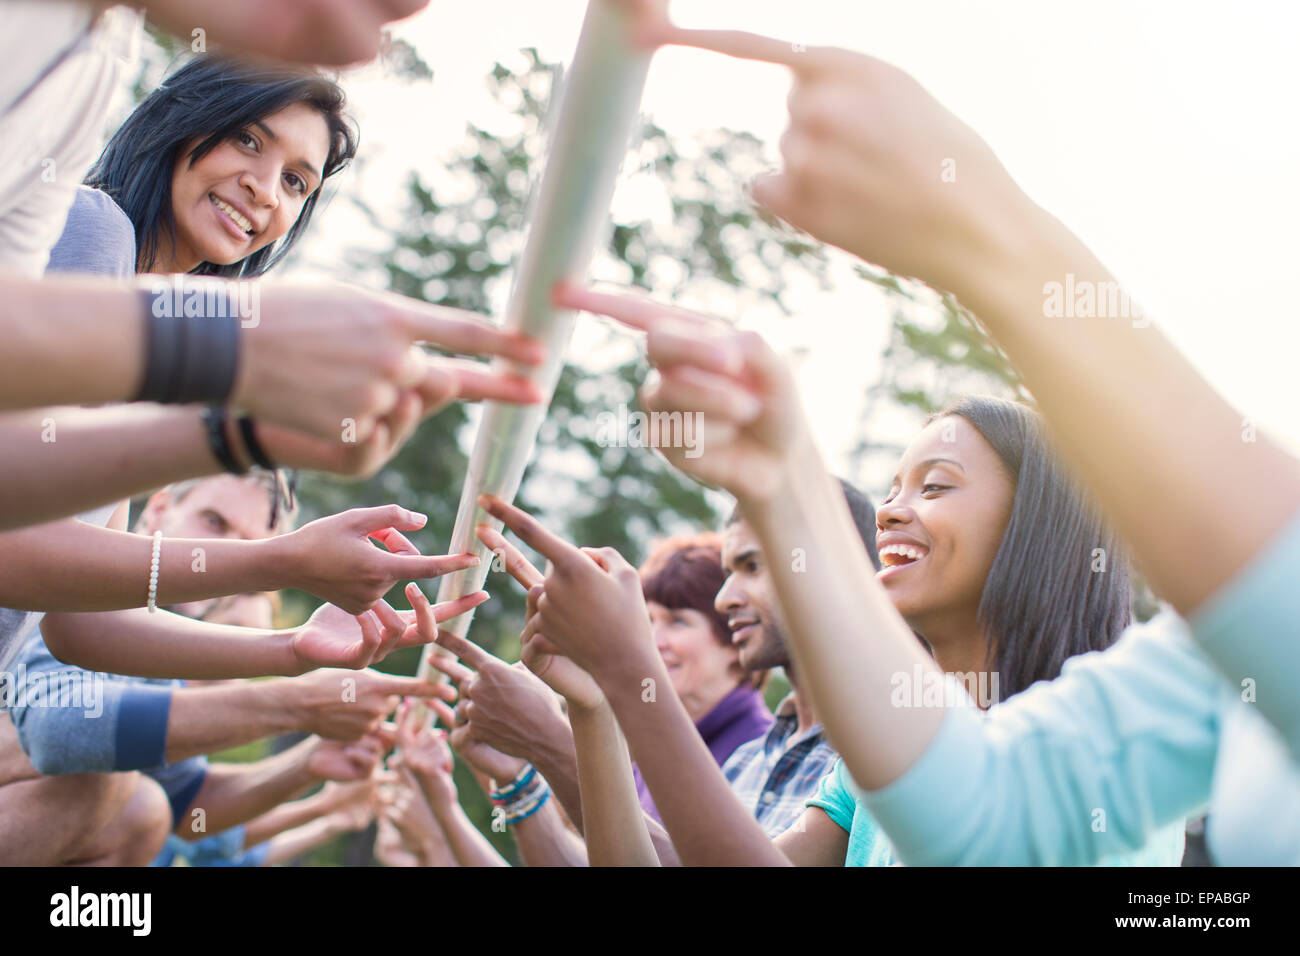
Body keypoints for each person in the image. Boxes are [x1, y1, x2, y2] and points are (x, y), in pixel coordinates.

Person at [560, 15, 1300, 864]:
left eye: (939, 485)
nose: (891, 515)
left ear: (1036, 531)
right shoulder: (1185, 680)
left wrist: (985, 231)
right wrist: (777, 473)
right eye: (898, 485)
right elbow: (987, 813)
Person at [0, 1, 545, 529]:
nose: (263, 190)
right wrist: (228, 349)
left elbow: (77, 620)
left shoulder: (84, 65)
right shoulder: (99, 229)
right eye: (246, 138)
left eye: (294, 182)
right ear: (183, 121)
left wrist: (294, 622)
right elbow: (21, 541)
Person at [0, 473, 457, 865]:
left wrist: (306, 749)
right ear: (158, 509)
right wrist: (296, 704)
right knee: (122, 793)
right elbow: (60, 727)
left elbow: (188, 807)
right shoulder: (72, 557)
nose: (224, 555)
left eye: (250, 544)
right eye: (214, 522)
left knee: (144, 808)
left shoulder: (149, 648)